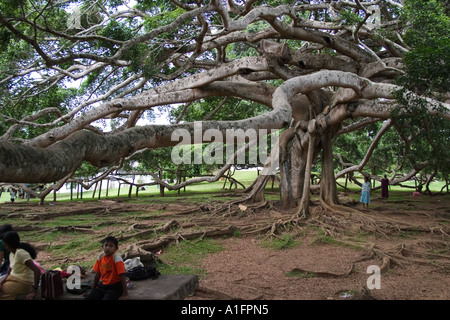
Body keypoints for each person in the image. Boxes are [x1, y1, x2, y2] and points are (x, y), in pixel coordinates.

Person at [0, 231, 42, 300]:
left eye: (5, 243)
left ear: (8, 244)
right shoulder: (12, 254)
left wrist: (34, 291)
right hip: (13, 278)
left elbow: (37, 271)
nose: (4, 245)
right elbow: (8, 272)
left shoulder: (20, 254)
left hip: (23, 282)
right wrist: (1, 282)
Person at [84, 236, 128, 300]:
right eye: (106, 245)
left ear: (116, 248)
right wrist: (92, 290)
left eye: (111, 246)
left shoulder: (116, 258)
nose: (107, 248)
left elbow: (122, 276)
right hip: (102, 286)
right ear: (102, 247)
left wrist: (126, 294)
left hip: (114, 288)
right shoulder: (100, 257)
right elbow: (98, 274)